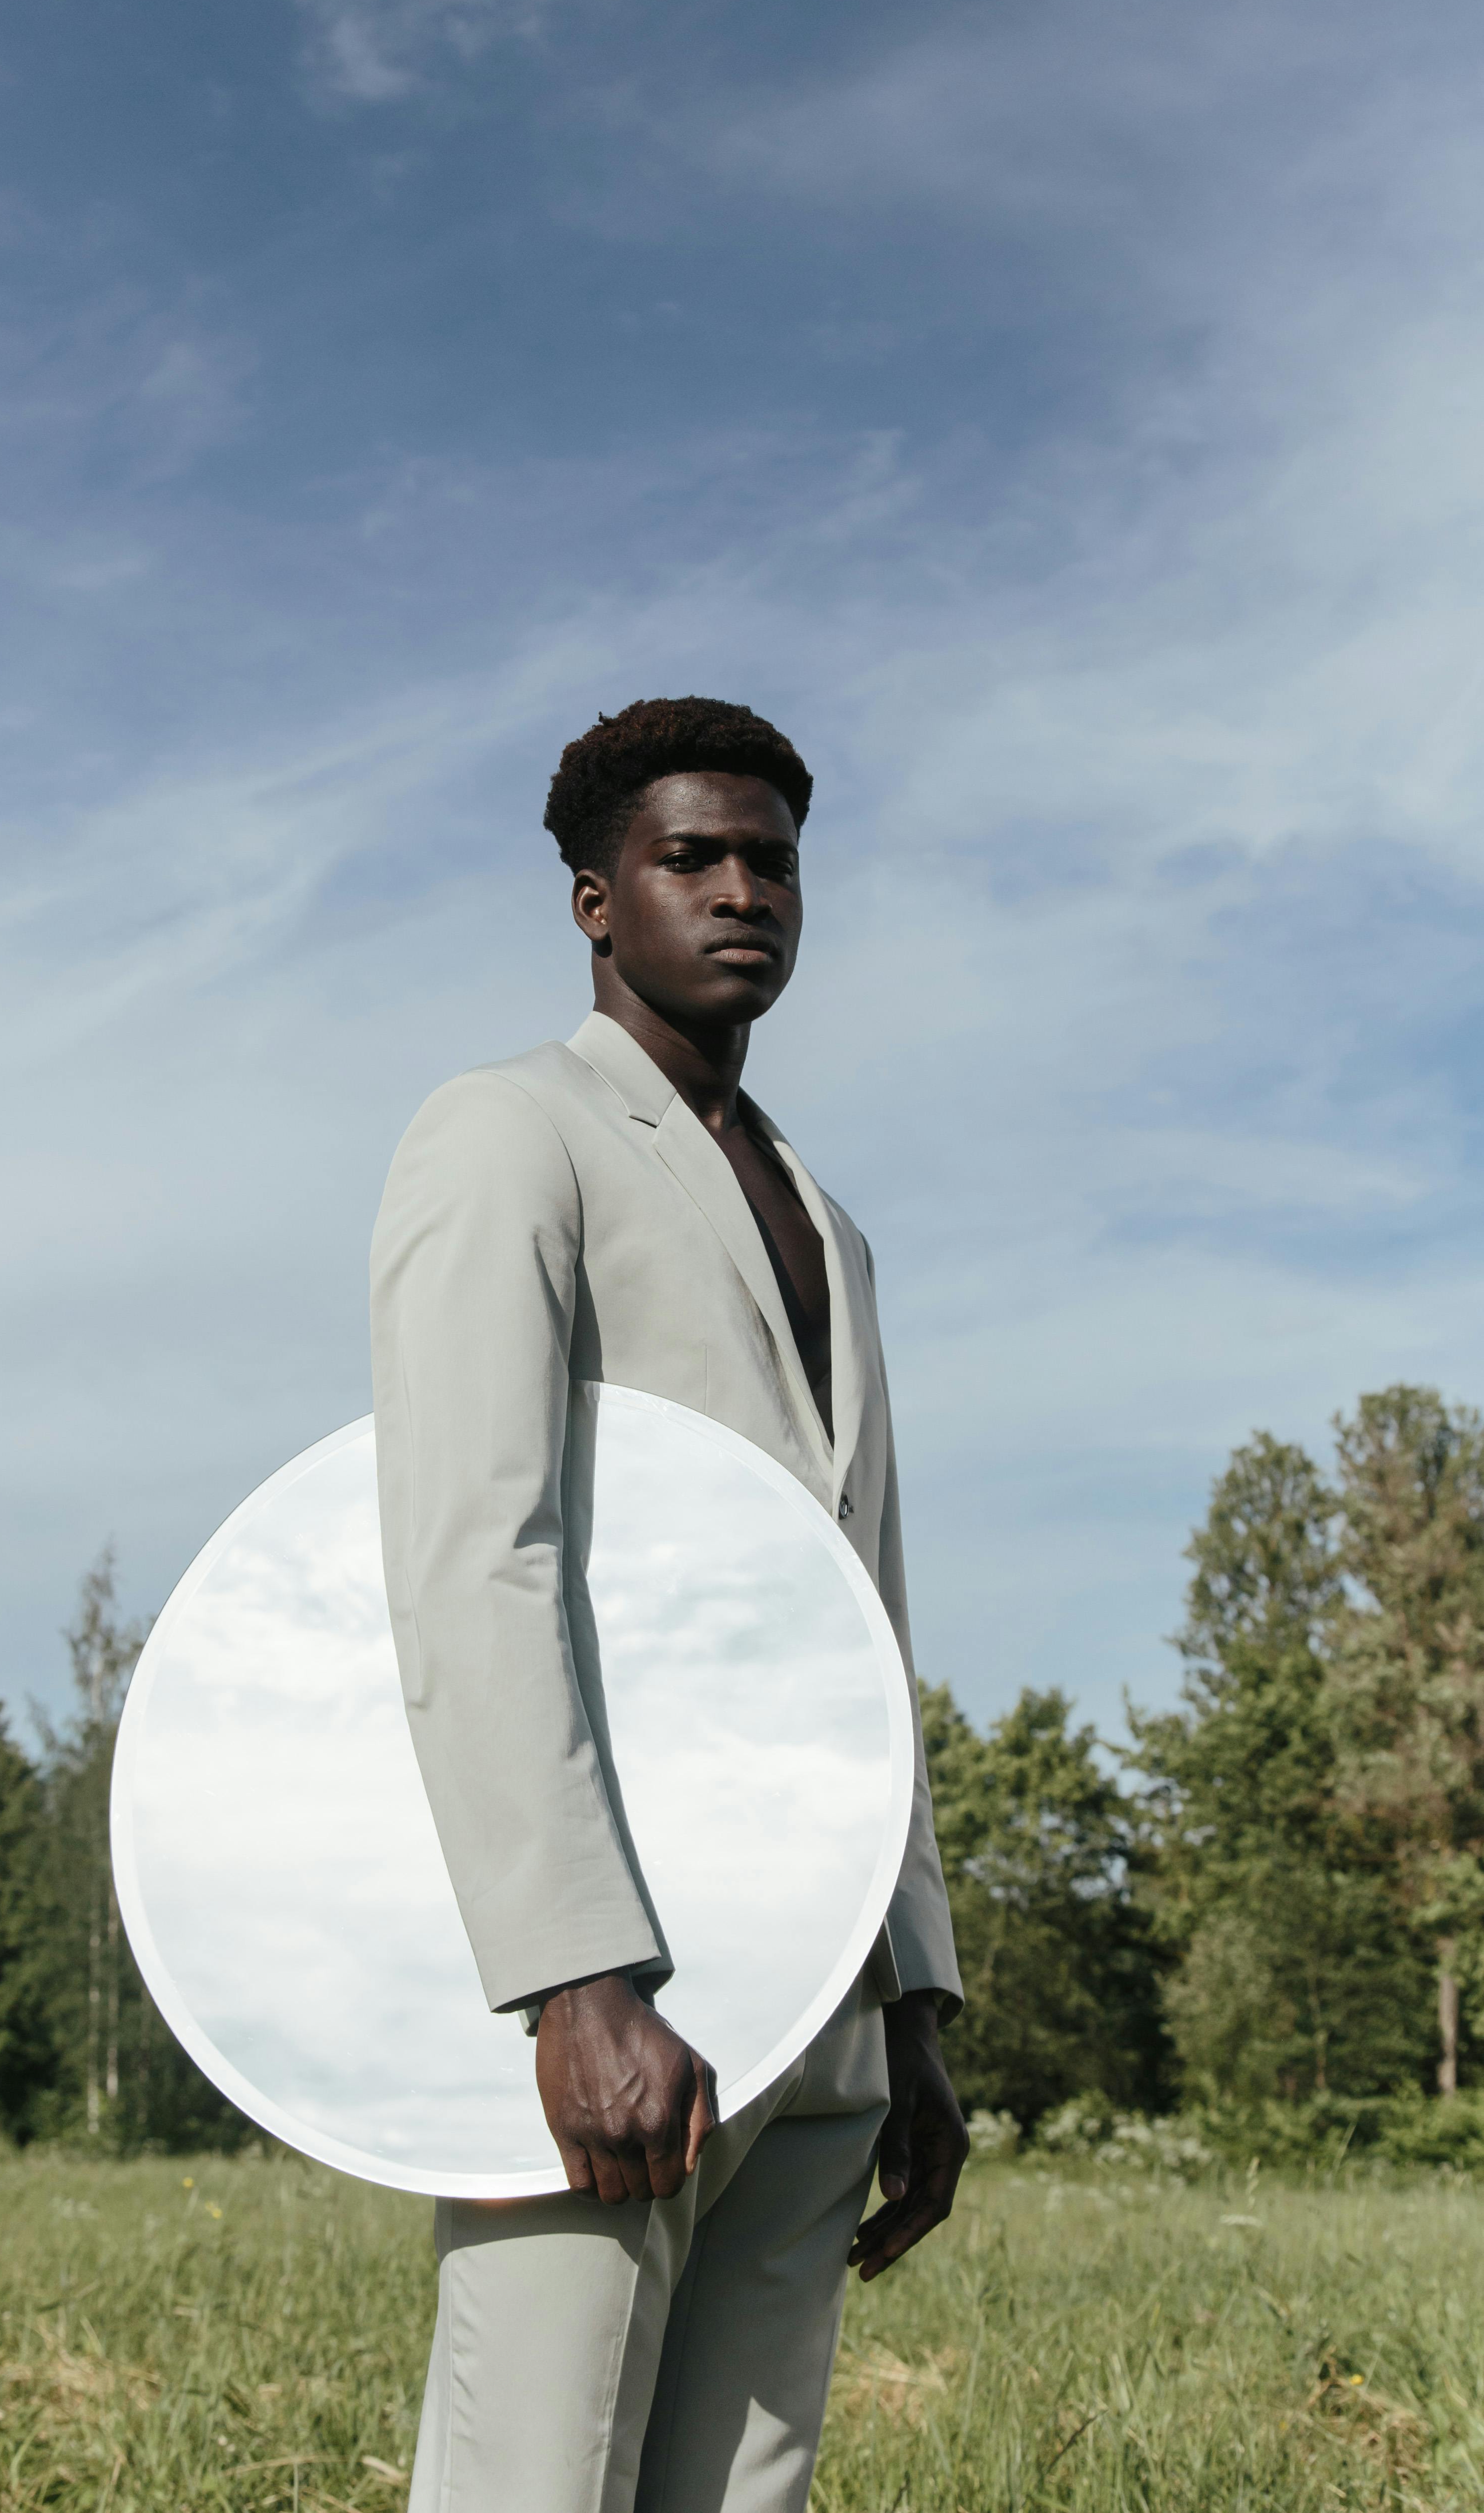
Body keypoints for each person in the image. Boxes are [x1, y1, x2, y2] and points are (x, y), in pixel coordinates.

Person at [370, 697, 967, 2513]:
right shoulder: (509, 1133)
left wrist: (914, 1998)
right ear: (595, 902)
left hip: (824, 1990)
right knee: (534, 2481)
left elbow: (867, 1615)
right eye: (689, 857)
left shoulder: (832, 1224)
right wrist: (574, 1972)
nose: (740, 892)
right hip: (619, 1983)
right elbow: (473, 1548)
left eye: (771, 862)